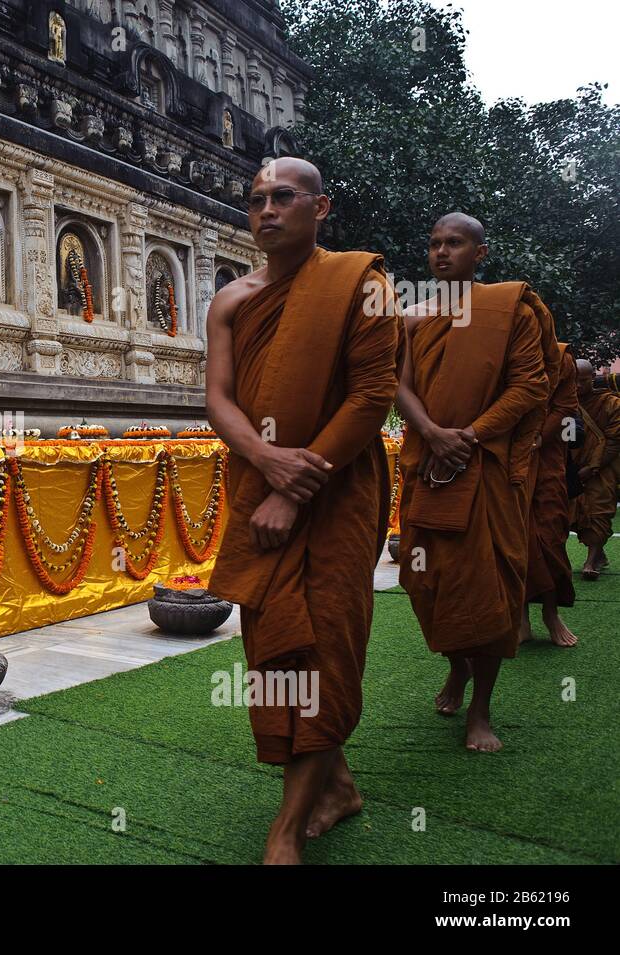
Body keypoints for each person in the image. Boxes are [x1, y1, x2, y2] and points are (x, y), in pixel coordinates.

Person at [206, 157, 401, 864]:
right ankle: (337, 781)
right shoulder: (232, 299)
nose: (266, 210)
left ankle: (284, 829)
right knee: (276, 638)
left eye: (282, 197)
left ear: (321, 207)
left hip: (337, 487)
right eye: (255, 199)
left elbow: (372, 396)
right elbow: (218, 400)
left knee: (327, 640)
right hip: (259, 483)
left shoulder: (365, 285)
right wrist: (268, 464)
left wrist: (295, 488)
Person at [395, 213, 549, 753]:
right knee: (424, 584)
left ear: (479, 253)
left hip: (486, 472)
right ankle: (455, 666)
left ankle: (480, 708)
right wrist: (434, 434)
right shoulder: (412, 318)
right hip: (429, 468)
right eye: (434, 243)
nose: (442, 252)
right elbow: (400, 386)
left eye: (454, 243)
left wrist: (472, 434)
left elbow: (530, 385)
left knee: (486, 591)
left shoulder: (509, 310)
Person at [522, 341, 580, 646]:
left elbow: (565, 407)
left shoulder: (561, 358)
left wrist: (538, 436)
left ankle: (550, 613)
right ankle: (521, 619)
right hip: (507, 455)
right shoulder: (501, 348)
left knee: (549, 535)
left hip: (547, 458)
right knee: (514, 539)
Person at [570, 358, 620, 580]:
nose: (578, 387)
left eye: (582, 381)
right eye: (574, 382)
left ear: (593, 378)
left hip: (603, 467)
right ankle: (599, 553)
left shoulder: (611, 403)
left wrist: (593, 466)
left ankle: (591, 561)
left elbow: (613, 440)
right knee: (574, 511)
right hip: (573, 466)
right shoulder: (564, 404)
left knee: (599, 510)